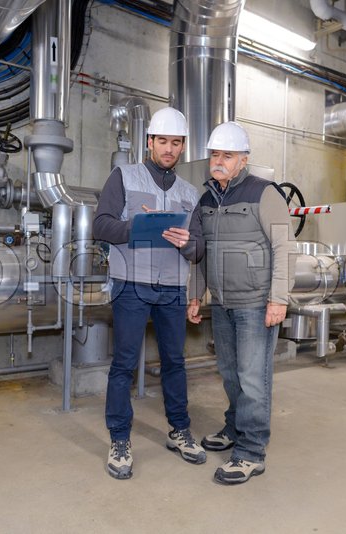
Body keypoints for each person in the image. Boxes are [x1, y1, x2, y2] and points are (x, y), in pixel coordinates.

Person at [93, 107, 206, 480]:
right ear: (150, 142)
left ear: (183, 146)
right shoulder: (123, 177)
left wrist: (188, 243)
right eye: (163, 142)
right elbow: (101, 226)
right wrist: (136, 227)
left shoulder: (191, 193)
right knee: (124, 364)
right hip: (131, 284)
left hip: (173, 287)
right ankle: (120, 439)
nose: (169, 149)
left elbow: (198, 249)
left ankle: (179, 430)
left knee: (175, 362)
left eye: (176, 143)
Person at [187, 121, 296, 485]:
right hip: (221, 303)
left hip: (255, 303)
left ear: (243, 159)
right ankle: (234, 429)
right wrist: (195, 294)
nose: (218, 161)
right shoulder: (205, 200)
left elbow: (284, 247)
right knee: (231, 374)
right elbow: (201, 252)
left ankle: (251, 451)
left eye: (227, 155)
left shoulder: (264, 193)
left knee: (253, 378)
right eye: (215, 154)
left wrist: (278, 298)